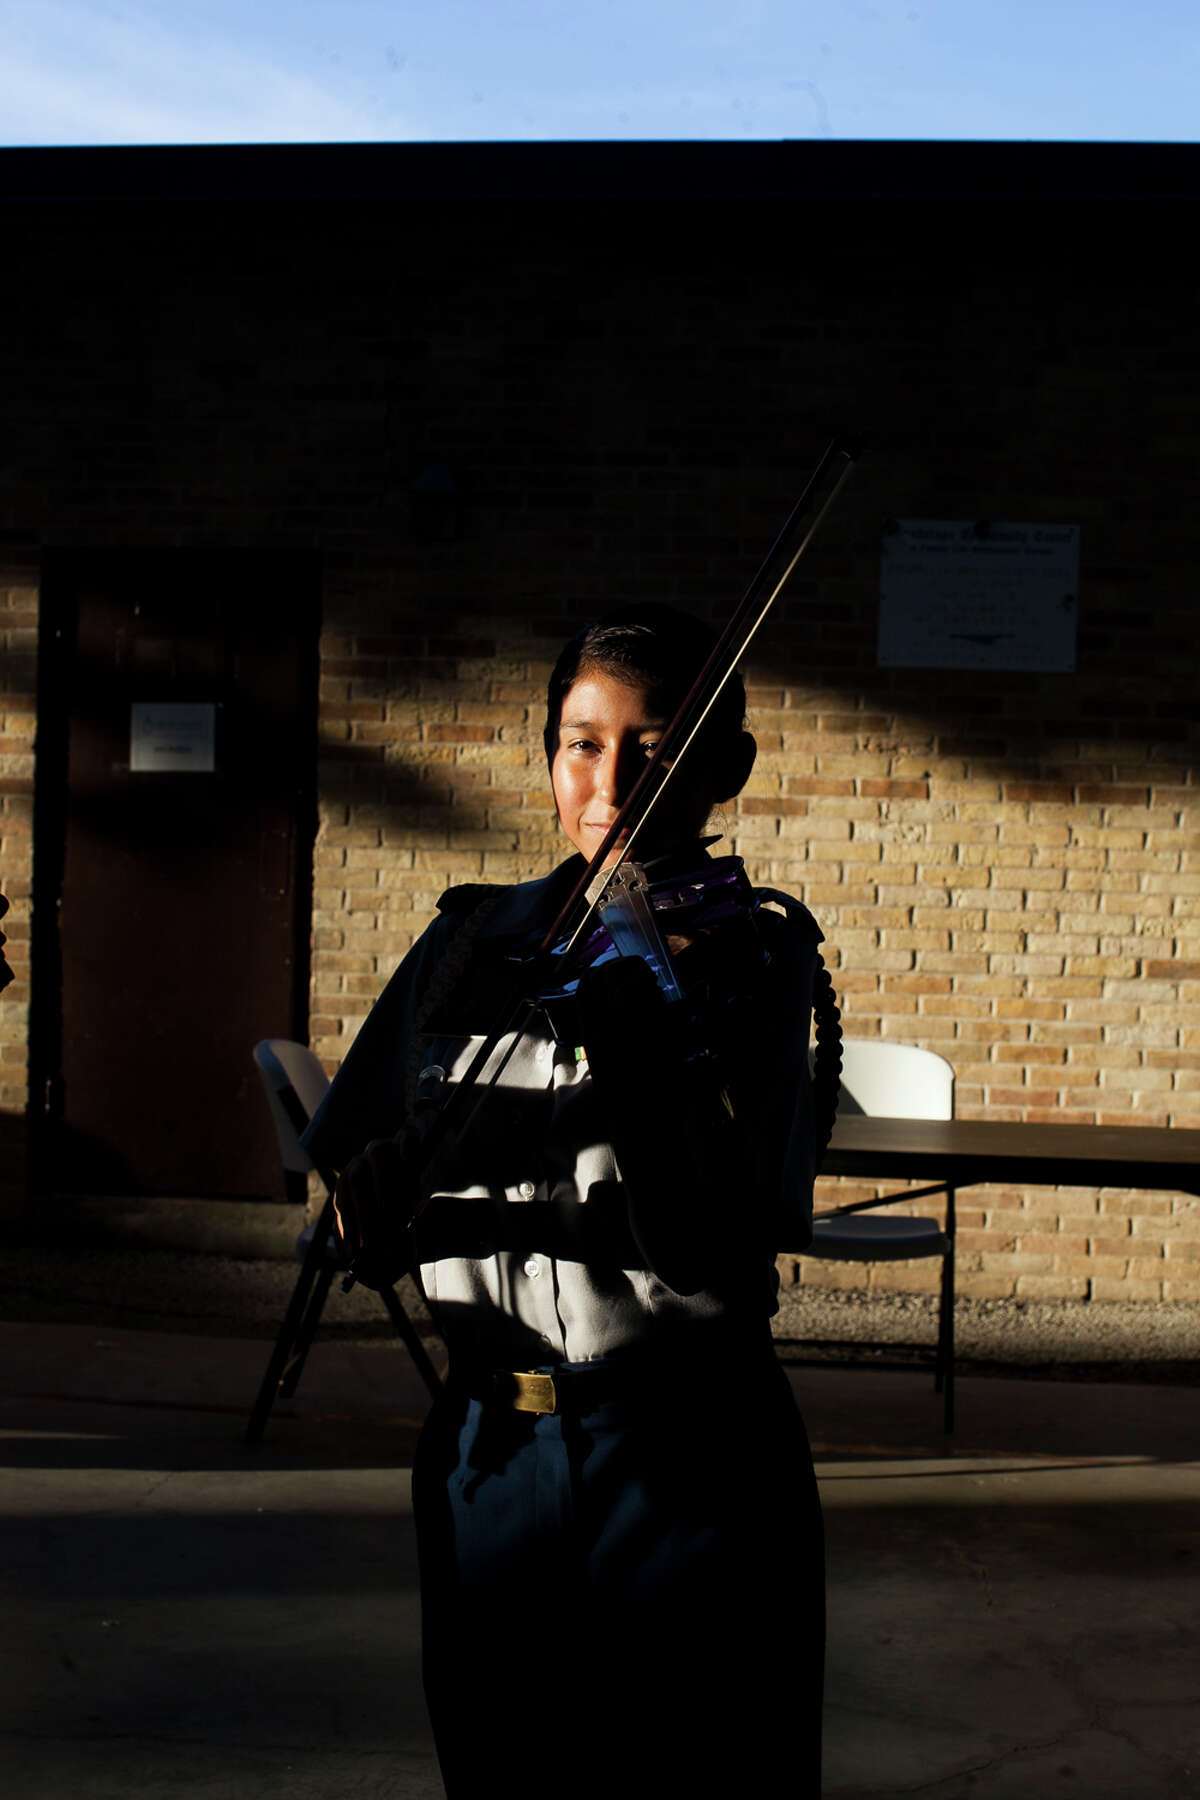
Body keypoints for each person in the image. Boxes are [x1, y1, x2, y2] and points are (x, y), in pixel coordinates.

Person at [302, 604, 827, 1797]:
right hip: (488, 1444)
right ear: (549, 756)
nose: (615, 785)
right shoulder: (469, 944)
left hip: (688, 1448)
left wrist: (644, 1039)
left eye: (658, 751)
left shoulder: (750, 959)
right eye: (584, 745)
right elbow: (364, 1163)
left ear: (727, 768)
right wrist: (372, 1209)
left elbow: (702, 1242)